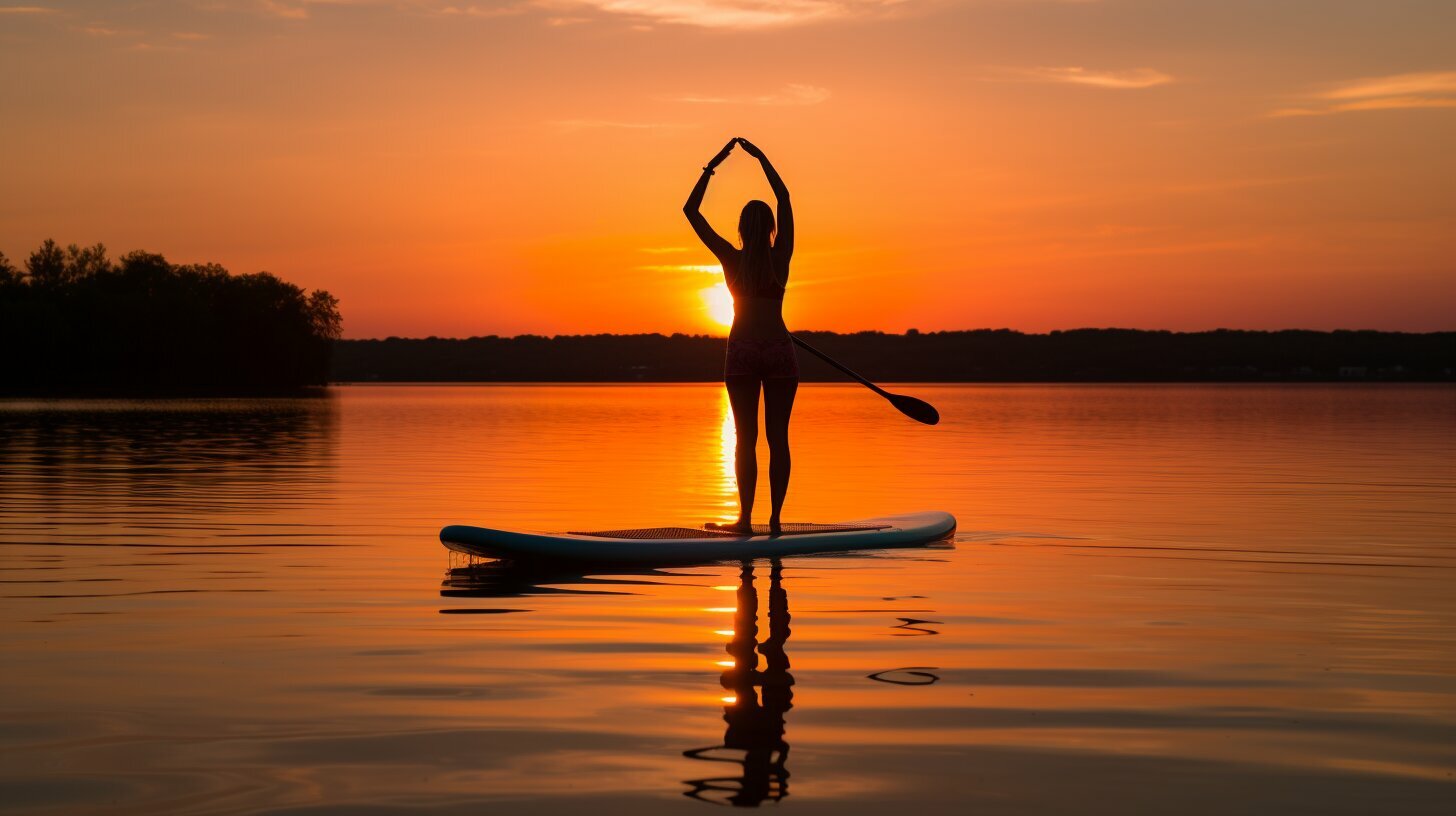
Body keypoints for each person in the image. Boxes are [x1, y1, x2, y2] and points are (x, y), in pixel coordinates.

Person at [683, 137, 797, 536]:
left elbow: (691, 212)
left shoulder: (730, 258)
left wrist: (711, 167)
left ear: (741, 228)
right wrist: (762, 157)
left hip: (743, 352)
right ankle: (776, 522)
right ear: (770, 228)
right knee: (777, 440)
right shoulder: (781, 256)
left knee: (744, 440)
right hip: (780, 350)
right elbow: (783, 196)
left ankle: (745, 522)